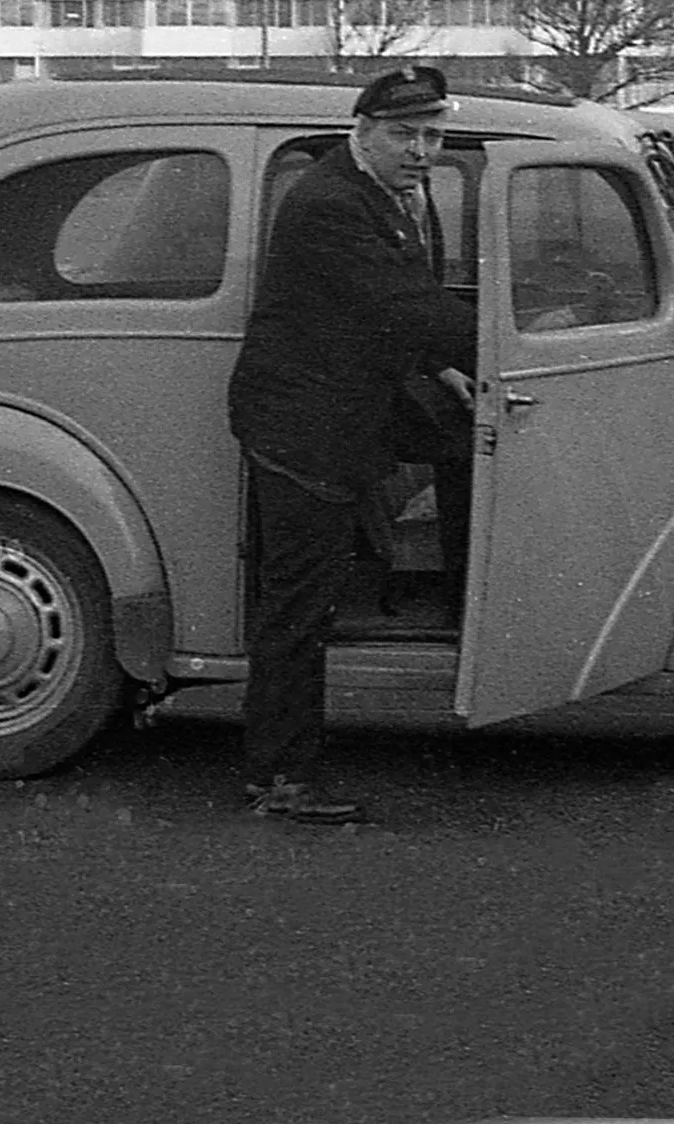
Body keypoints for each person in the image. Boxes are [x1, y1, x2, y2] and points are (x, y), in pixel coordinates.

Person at [227, 63, 476, 823]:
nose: (421, 150)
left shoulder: (391, 193)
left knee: (465, 441)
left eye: (432, 135)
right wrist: (513, 339)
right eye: (404, 134)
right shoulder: (329, 204)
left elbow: (396, 307)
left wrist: (442, 365)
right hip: (304, 425)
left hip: (345, 402)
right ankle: (280, 778)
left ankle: (451, 592)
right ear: (362, 131)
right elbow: (401, 304)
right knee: (300, 604)